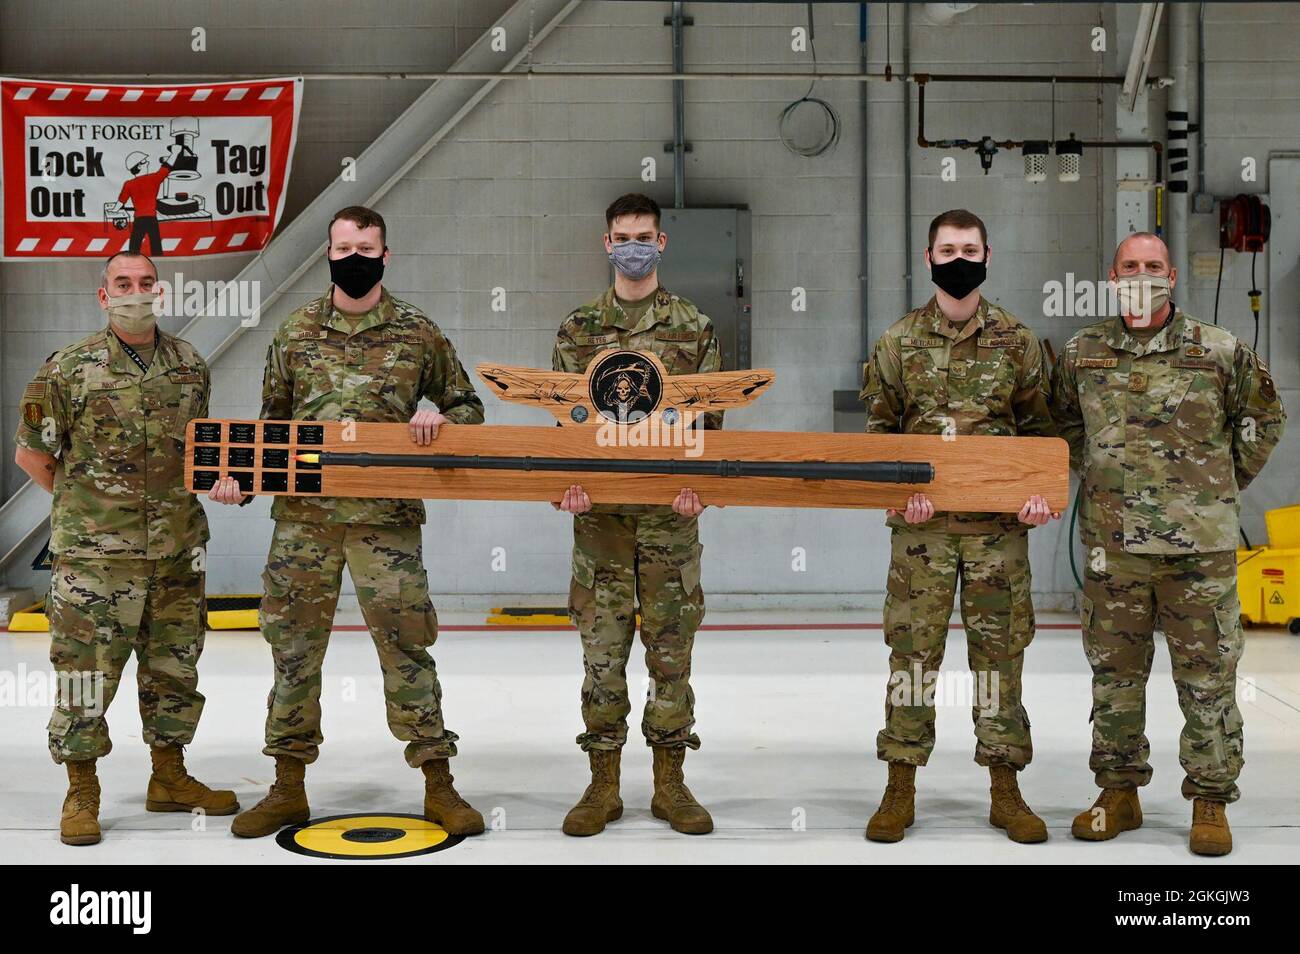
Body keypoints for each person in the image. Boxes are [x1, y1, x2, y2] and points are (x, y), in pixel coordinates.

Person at [209, 206, 487, 839]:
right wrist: (239, 485)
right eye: (343, 247)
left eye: (366, 247)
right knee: (294, 654)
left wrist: (444, 422)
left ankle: (438, 784)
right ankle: (286, 788)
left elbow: (468, 407)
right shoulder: (296, 332)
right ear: (328, 255)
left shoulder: (419, 332)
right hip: (304, 525)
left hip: (386, 525)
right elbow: (269, 432)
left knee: (408, 650)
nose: (354, 256)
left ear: (385, 255)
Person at [1052, 231, 1285, 856]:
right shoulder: (1084, 351)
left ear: (1172, 276)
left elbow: (1264, 418)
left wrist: (1219, 482)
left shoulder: (1217, 349)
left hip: (1198, 549)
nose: (1141, 274)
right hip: (1113, 546)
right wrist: (1098, 469)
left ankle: (1210, 799)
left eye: (1152, 266)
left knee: (1207, 676)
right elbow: (1060, 423)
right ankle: (1118, 792)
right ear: (1112, 274)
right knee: (1115, 676)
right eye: (1130, 266)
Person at [13, 250, 236, 845]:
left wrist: (222, 481)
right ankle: (82, 790)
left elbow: (201, 452)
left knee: (174, 670)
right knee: (86, 676)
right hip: (94, 561)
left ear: (159, 293)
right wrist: (83, 508)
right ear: (103, 295)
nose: (135, 291)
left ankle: (169, 777)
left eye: (145, 283)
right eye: (123, 283)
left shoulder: (189, 365)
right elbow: (32, 455)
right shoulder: (68, 369)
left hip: (177, 550)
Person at [859, 209, 1059, 844]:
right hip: (923, 534)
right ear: (929, 258)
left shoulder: (1018, 343)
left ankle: (1005, 786)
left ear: (987, 255)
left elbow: (1042, 437)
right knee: (913, 656)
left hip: (999, 534)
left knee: (999, 659)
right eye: (947, 250)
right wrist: (899, 497)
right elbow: (879, 439)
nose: (958, 258)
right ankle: (900, 784)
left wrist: (1038, 497)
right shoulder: (897, 343)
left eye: (969, 249)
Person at [551, 192, 722, 836]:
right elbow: (565, 424)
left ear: (662, 243)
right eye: (622, 235)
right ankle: (602, 786)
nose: (633, 245)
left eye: (643, 235)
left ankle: (671, 784)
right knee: (602, 654)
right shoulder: (577, 330)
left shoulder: (695, 328)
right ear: (606, 244)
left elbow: (711, 426)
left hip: (670, 521)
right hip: (600, 523)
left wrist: (698, 486)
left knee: (671, 653)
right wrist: (568, 485)